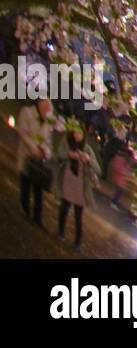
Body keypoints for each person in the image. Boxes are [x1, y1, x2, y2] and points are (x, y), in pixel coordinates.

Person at [50, 119, 98, 251]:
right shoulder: (66, 143)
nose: (77, 135)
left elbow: (97, 168)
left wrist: (88, 159)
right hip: (67, 181)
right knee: (64, 209)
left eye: (80, 133)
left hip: (80, 186)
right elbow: (58, 156)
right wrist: (69, 155)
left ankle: (78, 242)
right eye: (75, 133)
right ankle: (60, 232)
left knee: (78, 216)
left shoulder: (87, 149)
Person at [16, 97, 56, 228]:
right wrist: (35, 149)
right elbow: (23, 134)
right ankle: (25, 210)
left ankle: (38, 218)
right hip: (27, 157)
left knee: (38, 191)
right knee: (25, 187)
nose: (47, 113)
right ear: (40, 106)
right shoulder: (27, 112)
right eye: (46, 110)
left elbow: (48, 141)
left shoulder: (48, 121)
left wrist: (45, 152)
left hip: (39, 162)